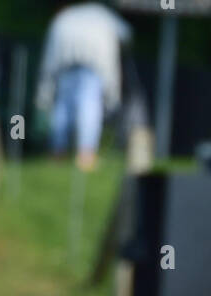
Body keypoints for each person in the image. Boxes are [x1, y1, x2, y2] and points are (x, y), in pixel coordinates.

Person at [36, 1, 132, 171]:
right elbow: (126, 33)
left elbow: (49, 57)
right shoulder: (103, 15)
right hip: (92, 66)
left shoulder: (63, 19)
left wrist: (44, 92)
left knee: (62, 108)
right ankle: (86, 156)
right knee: (89, 108)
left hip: (65, 65)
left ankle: (58, 153)